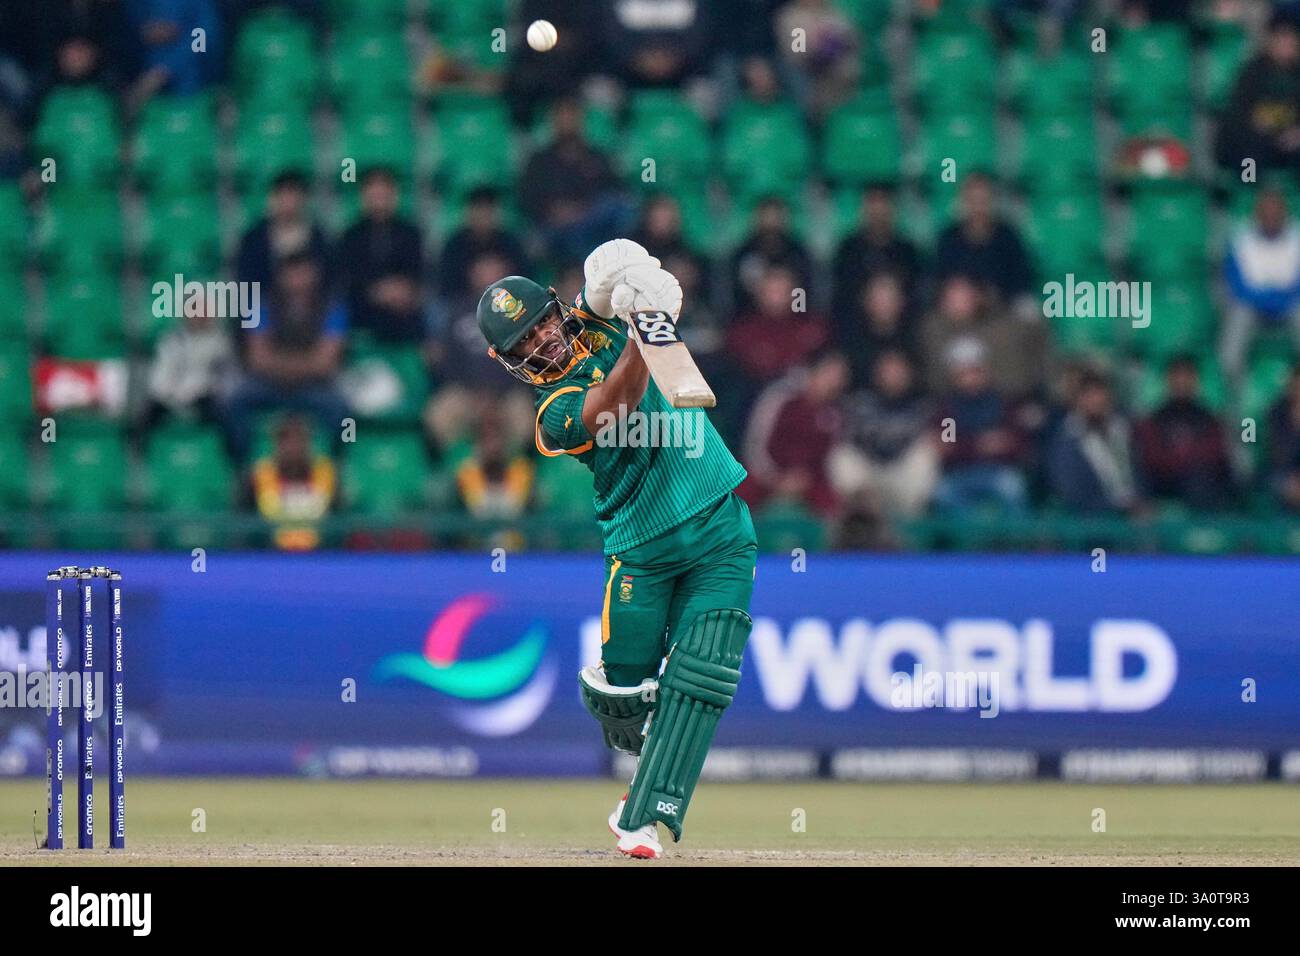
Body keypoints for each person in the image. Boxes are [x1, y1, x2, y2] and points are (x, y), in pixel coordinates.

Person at [475, 239, 756, 860]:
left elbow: (615, 267)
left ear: (556, 307)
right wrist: (638, 339)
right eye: (524, 342)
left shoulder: (594, 322)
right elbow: (614, 408)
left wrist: (642, 286)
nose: (542, 340)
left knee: (703, 677)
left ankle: (643, 818)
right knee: (624, 698)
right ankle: (627, 704)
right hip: (641, 549)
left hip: (719, 527)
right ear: (507, 359)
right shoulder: (552, 414)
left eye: (543, 322)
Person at [222, 252, 350, 461]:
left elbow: (326, 363)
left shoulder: (333, 308)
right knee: (233, 403)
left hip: (313, 387)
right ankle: (241, 464)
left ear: (314, 275)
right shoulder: (257, 305)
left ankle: (339, 462)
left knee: (344, 413)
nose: (298, 279)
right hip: (268, 385)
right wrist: (306, 363)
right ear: (281, 276)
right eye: (292, 273)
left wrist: (280, 363)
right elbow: (257, 359)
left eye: (303, 272)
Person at [1219, 185, 1300, 385]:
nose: (1271, 217)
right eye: (1266, 212)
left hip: (1290, 306)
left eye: (1276, 212)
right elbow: (1237, 286)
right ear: (1257, 214)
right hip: (1252, 307)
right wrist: (1268, 298)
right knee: (1237, 317)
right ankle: (1232, 388)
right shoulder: (1241, 241)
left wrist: (1278, 298)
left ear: (1285, 213)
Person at [1133, 355, 1236, 509]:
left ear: (1196, 380)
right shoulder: (1154, 420)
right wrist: (1186, 459)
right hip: (1164, 483)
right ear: (1168, 380)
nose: (1182, 381)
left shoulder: (1210, 419)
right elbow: (1153, 458)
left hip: (1201, 482)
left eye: (1187, 376)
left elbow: (1216, 455)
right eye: (1177, 376)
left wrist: (1184, 457)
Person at [337, 166, 425, 343]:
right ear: (363, 195)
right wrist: (377, 291)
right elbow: (348, 277)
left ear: (394, 194)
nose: (379, 197)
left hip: (403, 308)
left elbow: (417, 272)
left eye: (384, 191)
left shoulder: (411, 233)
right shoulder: (351, 236)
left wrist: (400, 290)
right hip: (364, 306)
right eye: (373, 191)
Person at [1046, 371, 1144, 515]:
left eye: (1099, 395)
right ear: (1078, 400)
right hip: (1094, 520)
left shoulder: (1125, 431)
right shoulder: (1066, 441)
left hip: (1137, 513)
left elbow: (1141, 474)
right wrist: (1120, 509)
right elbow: (1073, 493)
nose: (1095, 401)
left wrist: (1140, 503)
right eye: (1089, 396)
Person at [243, 414, 337, 551]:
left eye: (300, 440)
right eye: (285, 440)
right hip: (269, 556)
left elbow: (339, 521)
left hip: (320, 555)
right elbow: (243, 524)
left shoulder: (327, 474)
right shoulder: (257, 476)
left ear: (309, 443)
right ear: (276, 445)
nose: (293, 447)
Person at [234, 170, 331, 291]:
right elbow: (246, 279)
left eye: (293, 195)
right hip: (265, 303)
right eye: (283, 195)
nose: (288, 203)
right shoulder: (254, 238)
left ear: (303, 199)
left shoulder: (319, 237)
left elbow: (327, 278)